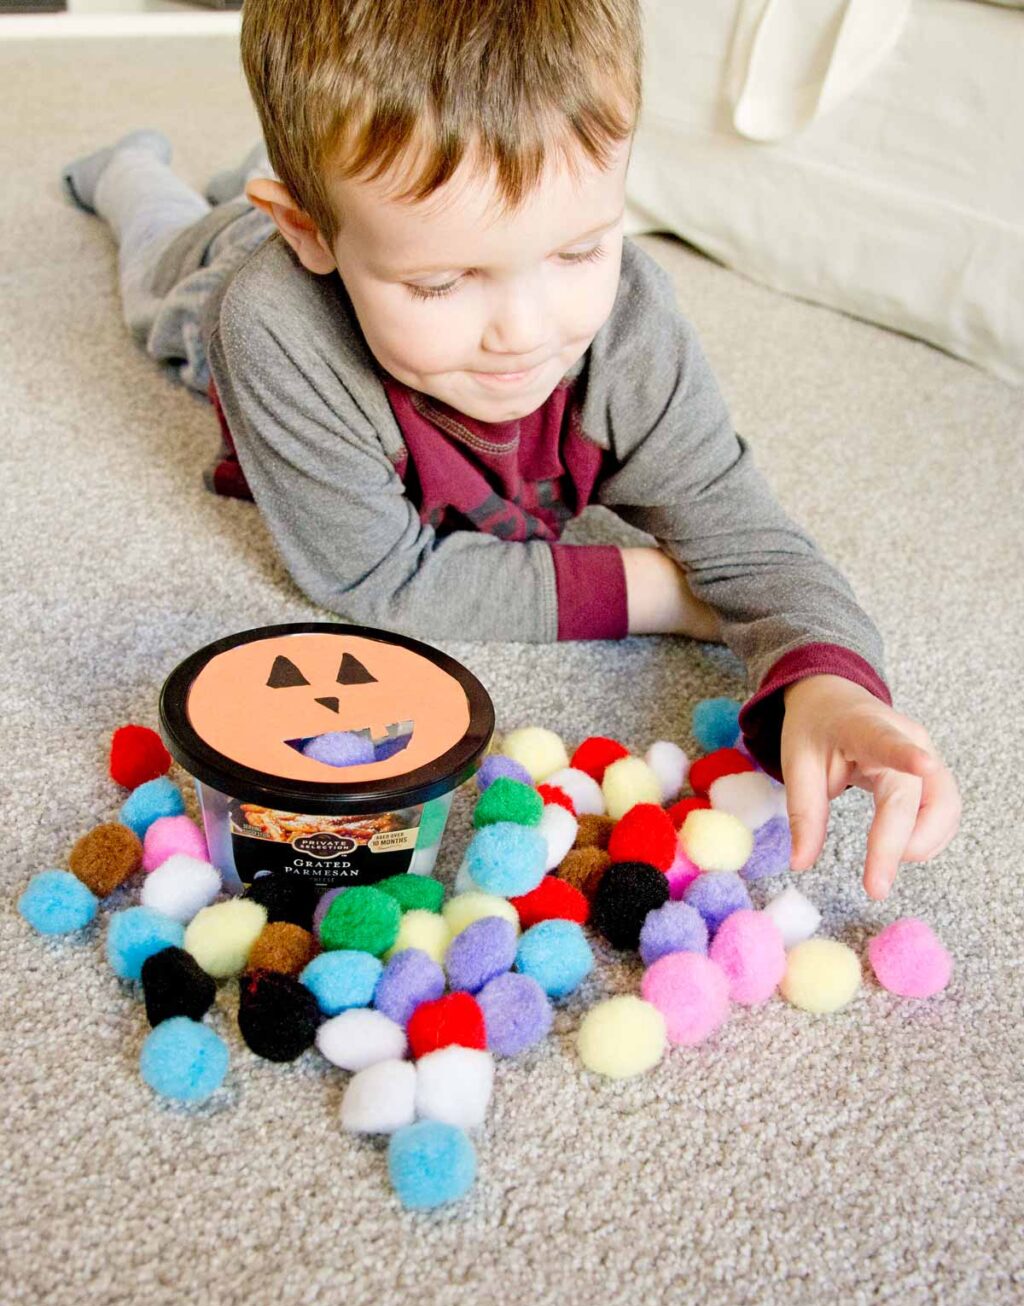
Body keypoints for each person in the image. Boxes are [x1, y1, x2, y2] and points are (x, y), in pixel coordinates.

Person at [60, 0, 960, 901]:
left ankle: (307, 184)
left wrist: (834, 684)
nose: (527, 335)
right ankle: (135, 168)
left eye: (579, 251)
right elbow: (372, 577)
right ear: (308, 232)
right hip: (219, 269)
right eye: (442, 282)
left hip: (337, 213)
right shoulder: (269, 321)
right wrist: (658, 591)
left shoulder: (631, 330)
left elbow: (755, 546)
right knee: (156, 255)